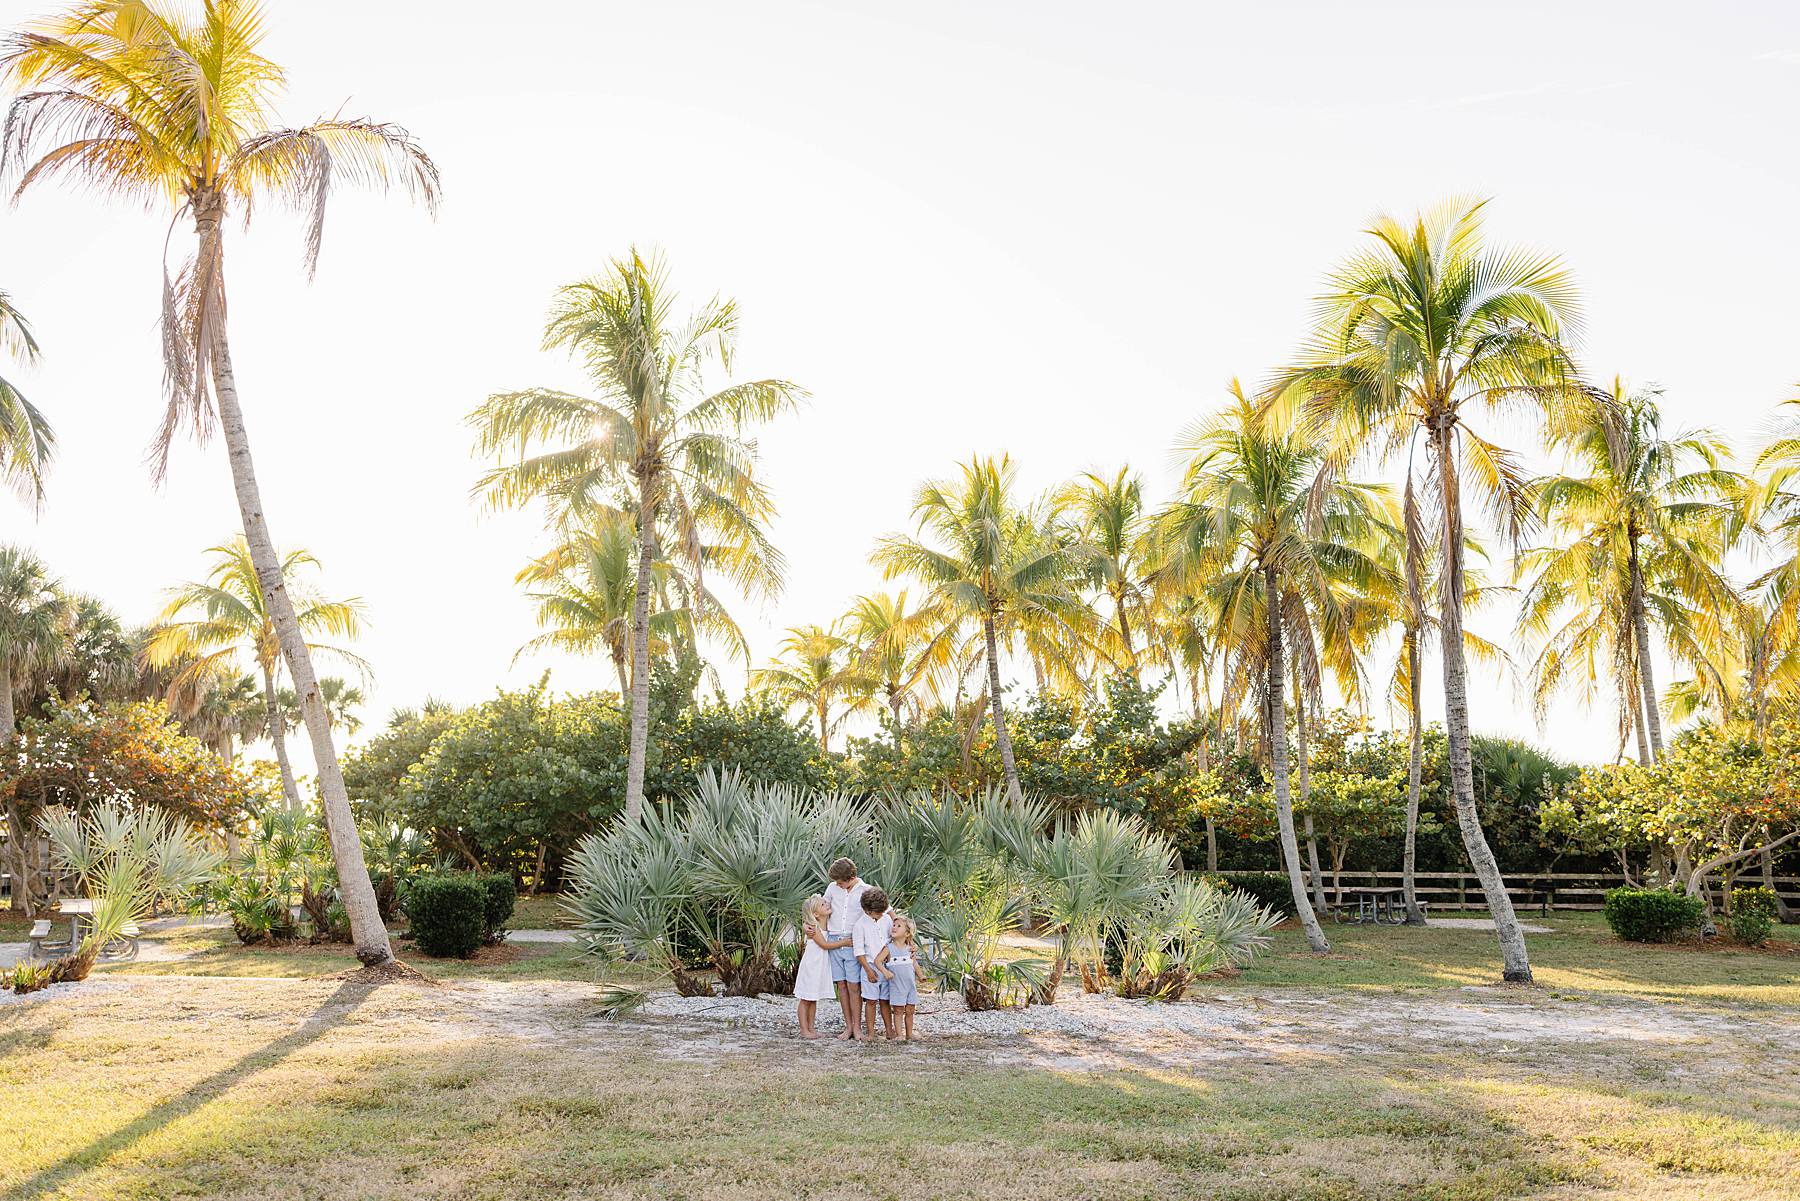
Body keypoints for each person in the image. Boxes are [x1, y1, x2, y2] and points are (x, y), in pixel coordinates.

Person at [822, 857, 873, 1041]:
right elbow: (820, 908)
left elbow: (886, 909)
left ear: (851, 877)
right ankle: (848, 1026)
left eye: (840, 881)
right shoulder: (832, 888)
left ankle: (858, 1027)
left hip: (853, 943)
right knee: (841, 985)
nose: (837, 884)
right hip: (834, 941)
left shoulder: (865, 890)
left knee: (853, 986)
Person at [793, 895, 847, 1039]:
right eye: (823, 905)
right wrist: (844, 943)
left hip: (820, 966)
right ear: (816, 914)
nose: (827, 904)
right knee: (805, 998)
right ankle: (804, 1029)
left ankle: (811, 1028)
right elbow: (824, 945)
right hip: (812, 965)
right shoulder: (814, 928)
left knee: (813, 998)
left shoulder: (826, 923)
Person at [853, 887, 895, 1041]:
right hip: (869, 967)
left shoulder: (887, 920)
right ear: (867, 911)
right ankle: (871, 1033)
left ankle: (889, 1030)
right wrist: (868, 971)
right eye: (878, 913)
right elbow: (859, 951)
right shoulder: (860, 925)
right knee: (871, 1001)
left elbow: (891, 940)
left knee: (885, 1000)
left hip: (886, 967)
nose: (881, 915)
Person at [876, 912, 920, 1042]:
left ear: (907, 933)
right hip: (896, 985)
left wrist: (921, 975)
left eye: (898, 926)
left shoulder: (909, 948)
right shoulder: (889, 948)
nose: (894, 927)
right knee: (898, 1010)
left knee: (911, 1009)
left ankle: (909, 1033)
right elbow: (878, 961)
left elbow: (914, 963)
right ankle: (899, 1034)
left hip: (910, 986)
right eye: (893, 925)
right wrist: (885, 972)